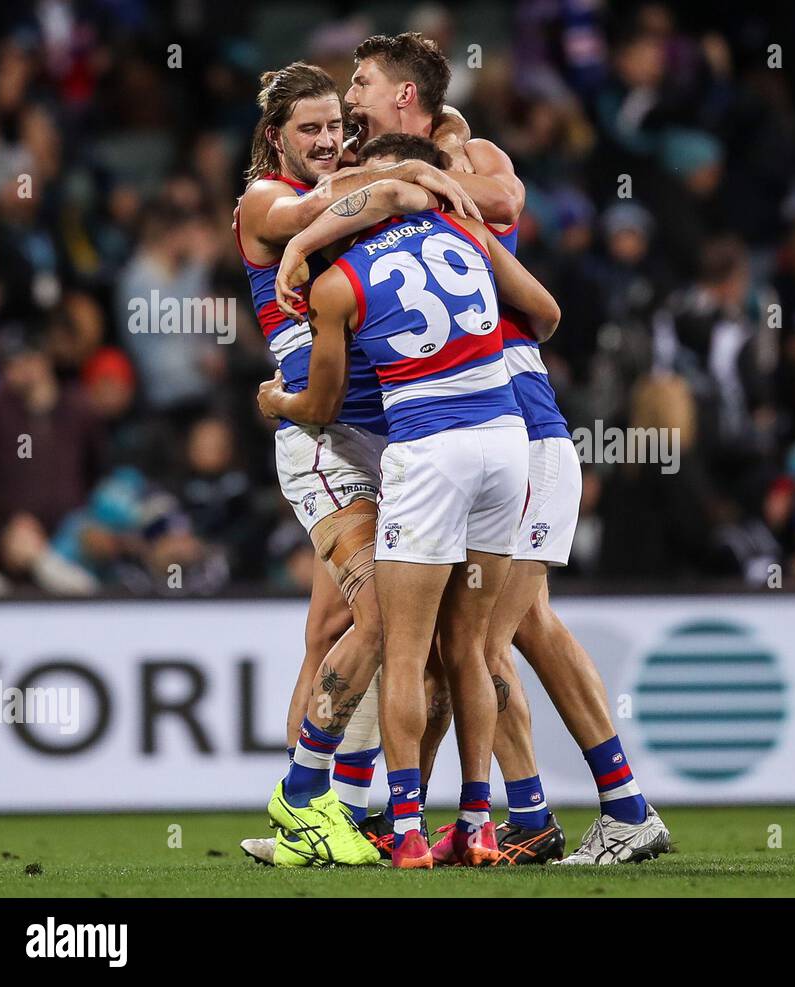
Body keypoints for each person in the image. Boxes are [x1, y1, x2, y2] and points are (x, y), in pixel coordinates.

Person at [258, 138, 560, 868]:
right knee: (470, 648)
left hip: (427, 453)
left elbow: (323, 403)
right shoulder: (464, 230)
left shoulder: (338, 284)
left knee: (401, 643)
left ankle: (407, 830)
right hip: (506, 442)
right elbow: (547, 314)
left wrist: (275, 400)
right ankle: (482, 823)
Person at [234, 62, 478, 866]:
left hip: (397, 439)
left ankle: (340, 812)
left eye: (336, 124)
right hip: (321, 440)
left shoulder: (352, 192)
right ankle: (302, 799)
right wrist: (404, 169)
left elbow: (401, 199)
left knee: (406, 640)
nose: (329, 140)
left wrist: (405, 175)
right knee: (375, 620)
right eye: (309, 128)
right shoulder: (264, 203)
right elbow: (345, 204)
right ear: (276, 137)